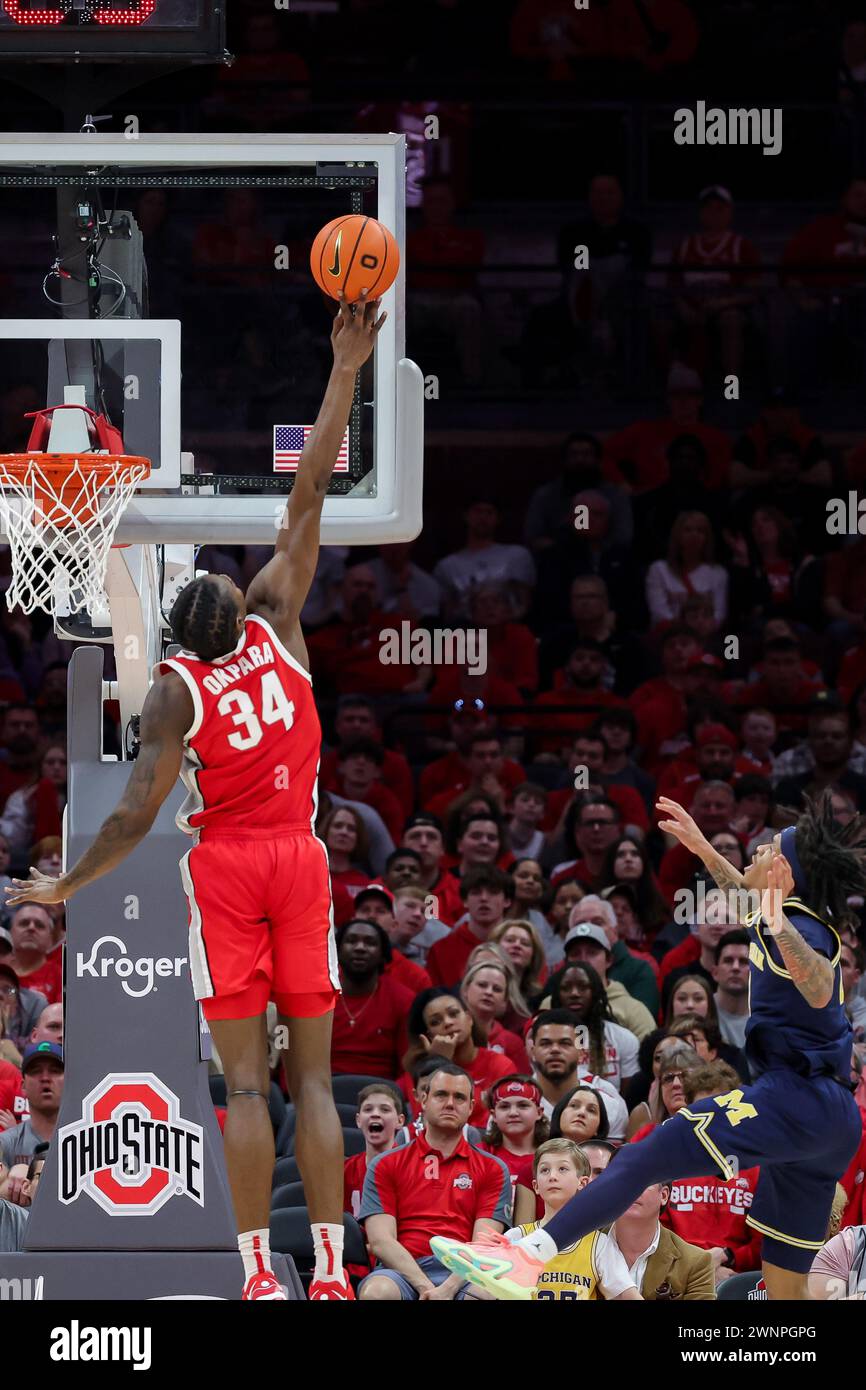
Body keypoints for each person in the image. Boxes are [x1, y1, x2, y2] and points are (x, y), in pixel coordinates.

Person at [7, 293, 385, 1302]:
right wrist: (344, 366)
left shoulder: (176, 692)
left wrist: (66, 881)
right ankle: (336, 1274)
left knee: (246, 1083)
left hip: (225, 865)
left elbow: (136, 814)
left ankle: (259, 1273)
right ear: (246, 603)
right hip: (301, 861)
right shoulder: (280, 626)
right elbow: (306, 489)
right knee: (314, 1081)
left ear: (177, 638)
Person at [437, 793, 864, 1300]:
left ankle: (530, 1256)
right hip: (832, 1121)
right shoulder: (780, 913)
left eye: (767, 848)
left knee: (642, 1156)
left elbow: (817, 986)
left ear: (785, 873)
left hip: (797, 1096)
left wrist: (772, 915)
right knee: (786, 1281)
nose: (754, 852)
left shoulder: (800, 928)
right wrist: (704, 849)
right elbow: (747, 894)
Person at [357, 1062, 511, 1300]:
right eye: (441, 1094)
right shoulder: (385, 1163)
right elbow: (380, 1241)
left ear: (471, 1107)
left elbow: (484, 1245)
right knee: (377, 1292)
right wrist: (425, 1287)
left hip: (465, 1275)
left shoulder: (493, 1168)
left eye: (459, 1097)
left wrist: (447, 1290)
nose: (450, 1103)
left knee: (486, 1296)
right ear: (423, 1100)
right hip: (401, 1272)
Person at [509, 1140, 641, 1301]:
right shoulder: (516, 1238)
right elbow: (478, 1291)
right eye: (544, 1170)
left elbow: (625, 1295)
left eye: (562, 1169)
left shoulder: (599, 1244)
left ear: (583, 1183)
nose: (552, 1176)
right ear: (536, 1186)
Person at [399, 988, 514, 1128]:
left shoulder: (499, 1065)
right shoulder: (418, 1072)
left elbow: (508, 1120)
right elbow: (424, 1124)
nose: (447, 1022)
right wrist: (440, 1063)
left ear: (469, 1019)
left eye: (453, 1014)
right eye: (435, 1022)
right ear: (429, 1036)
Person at [331, 920, 414, 1080]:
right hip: (323, 1091)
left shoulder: (403, 999)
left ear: (383, 954)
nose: (360, 948)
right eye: (351, 941)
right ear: (337, 950)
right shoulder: (317, 995)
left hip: (382, 1094)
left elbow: (409, 1066)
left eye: (370, 943)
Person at [605, 1180, 715, 1300]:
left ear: (664, 1195)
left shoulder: (695, 1263)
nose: (632, 1189)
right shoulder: (584, 1242)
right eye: (624, 1179)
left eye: (643, 1180)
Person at [529, 1010, 628, 1139]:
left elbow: (613, 1157)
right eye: (546, 1043)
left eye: (565, 1043)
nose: (555, 1050)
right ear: (533, 1052)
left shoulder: (608, 1103)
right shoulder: (512, 1103)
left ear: (581, 1053)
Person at [546, 961, 639, 1092]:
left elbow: (629, 1098)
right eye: (566, 988)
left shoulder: (623, 1039)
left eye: (583, 987)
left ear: (595, 992)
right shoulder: (544, 1041)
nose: (574, 993)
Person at [561, 919, 656, 1039]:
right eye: (575, 953)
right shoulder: (550, 1004)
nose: (583, 960)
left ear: (609, 960)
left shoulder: (633, 1011)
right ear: (565, 962)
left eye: (592, 952)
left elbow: (649, 1054)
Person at [426, 865, 514, 986]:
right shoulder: (440, 949)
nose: (484, 898)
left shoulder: (521, 947)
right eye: (476, 893)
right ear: (464, 901)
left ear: (507, 901)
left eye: (493, 892)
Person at [343, 1083, 406, 1219]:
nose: (375, 1114)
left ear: (400, 1121)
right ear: (358, 1120)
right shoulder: (345, 1171)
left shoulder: (413, 1168)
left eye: (385, 1110)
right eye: (368, 1109)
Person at [459, 959, 531, 1071]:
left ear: (505, 1001)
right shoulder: (450, 1033)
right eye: (482, 985)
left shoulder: (513, 1043)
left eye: (497, 989)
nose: (489, 992)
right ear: (465, 989)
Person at [0, 1041, 62, 1169]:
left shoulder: (85, 1139)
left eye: (55, 1071)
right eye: (36, 1071)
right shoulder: (6, 1143)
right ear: (23, 1087)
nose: (45, 1077)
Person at [478, 1075, 548, 1185]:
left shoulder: (554, 1154)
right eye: (504, 1107)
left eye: (523, 1105)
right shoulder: (479, 1154)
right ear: (494, 1115)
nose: (513, 1113)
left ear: (539, 1113)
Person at [4, 904, 61, 1006]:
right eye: (24, 923)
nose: (31, 928)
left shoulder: (60, 976)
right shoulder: (2, 968)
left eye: (39, 925)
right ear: (10, 932)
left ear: (50, 938)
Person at [488, 919, 547, 1009]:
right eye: (510, 940)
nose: (517, 945)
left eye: (525, 943)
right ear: (495, 947)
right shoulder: (476, 986)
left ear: (533, 956)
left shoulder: (539, 999)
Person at [712, 929, 751, 1050]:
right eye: (728, 961)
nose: (735, 967)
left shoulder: (766, 1016)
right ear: (715, 972)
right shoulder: (701, 1011)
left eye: (744, 961)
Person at [0, 962, 46, 1054]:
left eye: (7, 990)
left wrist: (7, 1027)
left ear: (17, 1001)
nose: (0, 995)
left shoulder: (35, 1007)